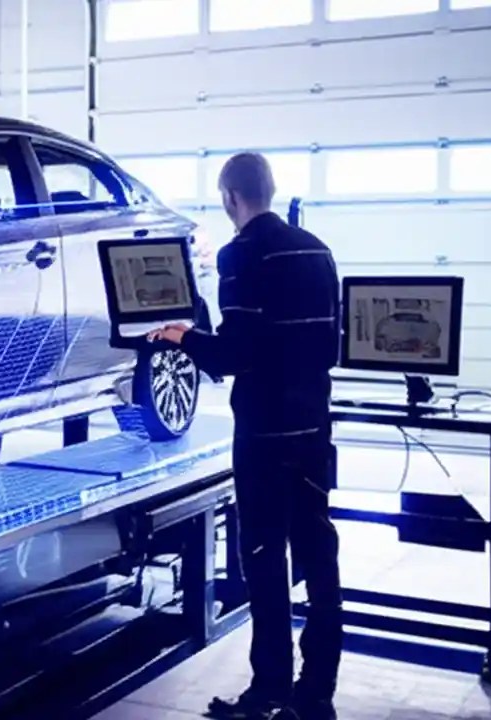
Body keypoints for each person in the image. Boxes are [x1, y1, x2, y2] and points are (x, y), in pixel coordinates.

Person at [149, 153, 343, 720]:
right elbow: (327, 346)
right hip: (313, 429)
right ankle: (316, 694)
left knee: (264, 561)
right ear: (272, 190)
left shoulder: (241, 255)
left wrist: (184, 336)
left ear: (231, 198)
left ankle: (269, 692)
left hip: (264, 434)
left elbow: (236, 353)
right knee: (318, 555)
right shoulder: (317, 251)